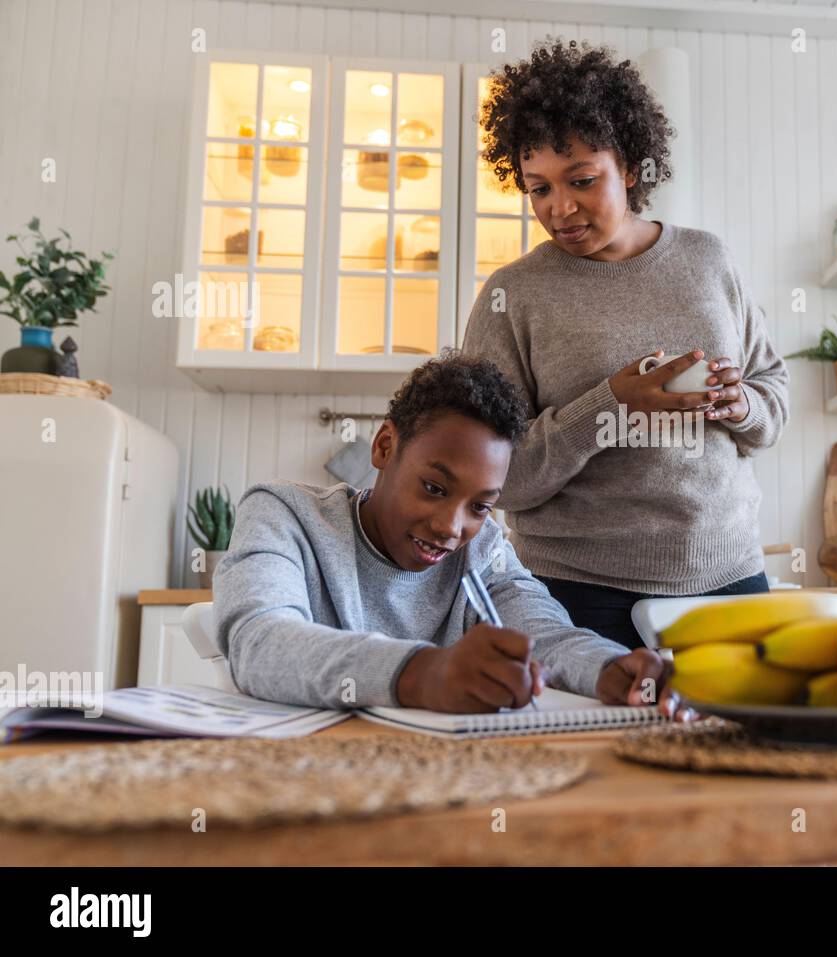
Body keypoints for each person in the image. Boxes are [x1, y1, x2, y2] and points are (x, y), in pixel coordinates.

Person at [463, 38, 789, 649]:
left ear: (632, 167)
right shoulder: (513, 296)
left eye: (582, 180)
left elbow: (773, 400)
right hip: (572, 591)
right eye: (538, 189)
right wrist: (610, 406)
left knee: (753, 744)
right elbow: (494, 477)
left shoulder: (708, 260)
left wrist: (739, 404)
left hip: (726, 578)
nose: (560, 209)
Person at [213, 352, 682, 716]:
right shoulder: (283, 514)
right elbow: (260, 643)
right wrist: (424, 673)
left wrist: (610, 669)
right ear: (383, 446)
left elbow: (547, 637)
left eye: (480, 506)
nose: (450, 528)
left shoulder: (483, 549)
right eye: (434, 487)